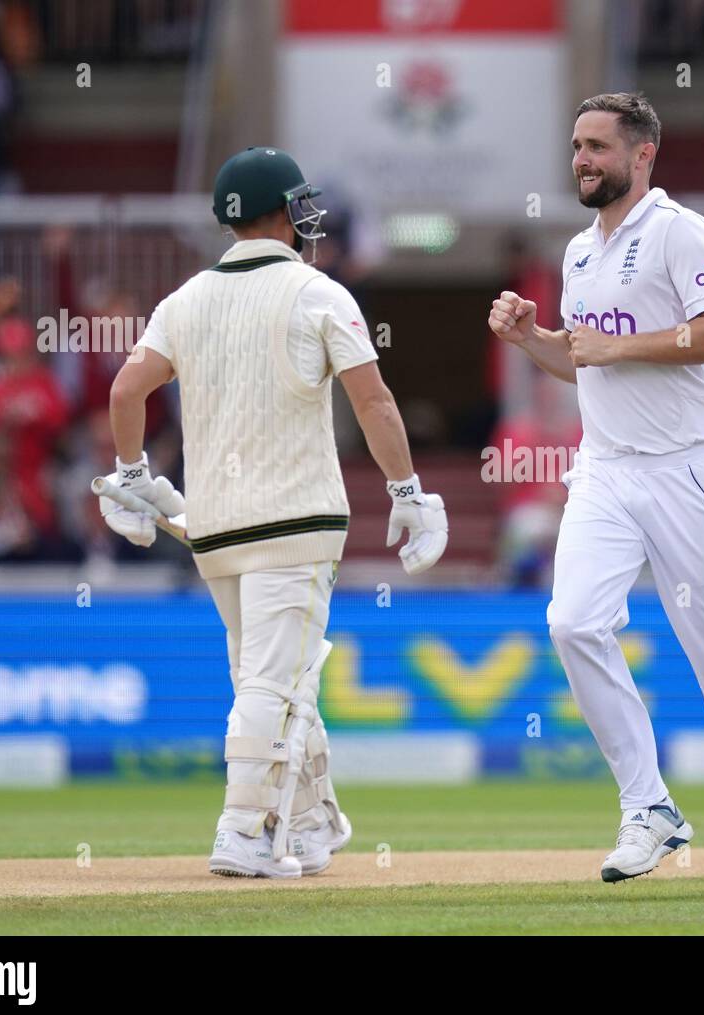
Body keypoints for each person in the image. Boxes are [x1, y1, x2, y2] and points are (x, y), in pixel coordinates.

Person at [101, 147, 448, 879]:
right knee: (270, 682)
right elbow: (374, 400)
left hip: (212, 527)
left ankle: (310, 820)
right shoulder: (319, 292)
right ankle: (243, 830)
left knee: (275, 676)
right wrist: (408, 491)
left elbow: (126, 392)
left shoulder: (183, 298)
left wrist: (134, 474)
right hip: (293, 521)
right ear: (283, 212)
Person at [488, 93, 704, 898]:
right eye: (576, 146)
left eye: (598, 146)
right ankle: (649, 805)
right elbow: (585, 359)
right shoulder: (579, 253)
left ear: (643, 154)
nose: (583, 160)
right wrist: (532, 339)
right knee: (572, 621)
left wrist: (611, 344)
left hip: (687, 467)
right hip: (606, 468)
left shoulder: (679, 231)